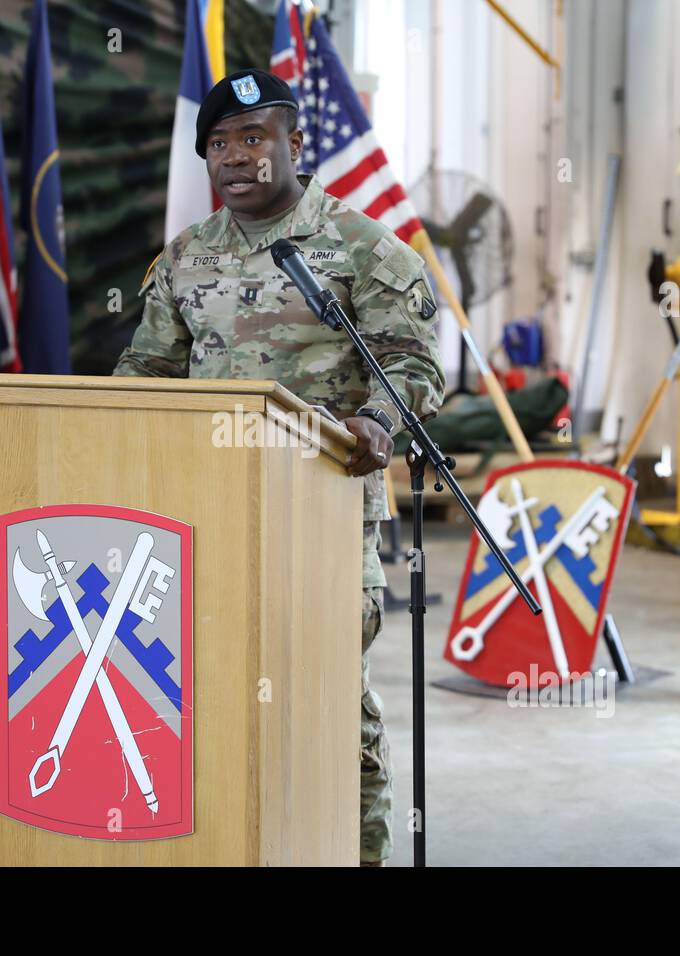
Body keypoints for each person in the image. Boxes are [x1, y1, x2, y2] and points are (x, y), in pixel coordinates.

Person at [115, 68, 445, 865]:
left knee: (328, 701)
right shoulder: (186, 258)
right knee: (204, 697)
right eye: (219, 143)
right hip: (202, 521)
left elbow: (414, 369)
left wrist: (375, 420)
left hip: (324, 519)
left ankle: (351, 853)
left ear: (297, 144)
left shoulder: (364, 249)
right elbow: (147, 374)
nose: (234, 157)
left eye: (253, 137)